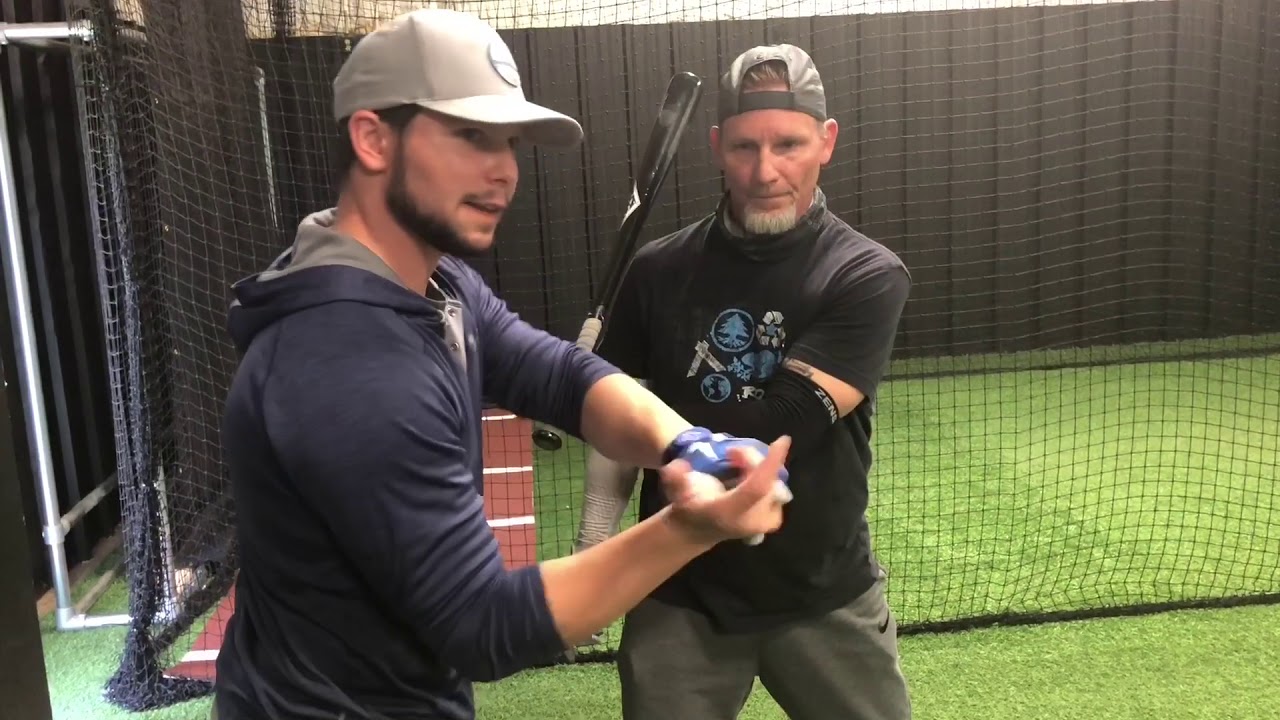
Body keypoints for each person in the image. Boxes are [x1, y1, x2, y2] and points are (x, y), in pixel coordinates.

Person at [210, 10, 795, 720]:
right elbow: (483, 626)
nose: (505, 171)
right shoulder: (351, 366)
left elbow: (555, 373)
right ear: (372, 138)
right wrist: (692, 527)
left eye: (509, 143)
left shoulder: (433, 282)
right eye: (471, 136)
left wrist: (687, 443)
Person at [574, 44, 914, 720]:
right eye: (743, 147)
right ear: (715, 147)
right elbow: (615, 434)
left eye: (788, 145)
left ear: (826, 142)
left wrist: (600, 390)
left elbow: (782, 420)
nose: (765, 171)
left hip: (822, 589)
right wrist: (594, 546)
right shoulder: (658, 269)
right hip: (679, 586)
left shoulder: (865, 275)